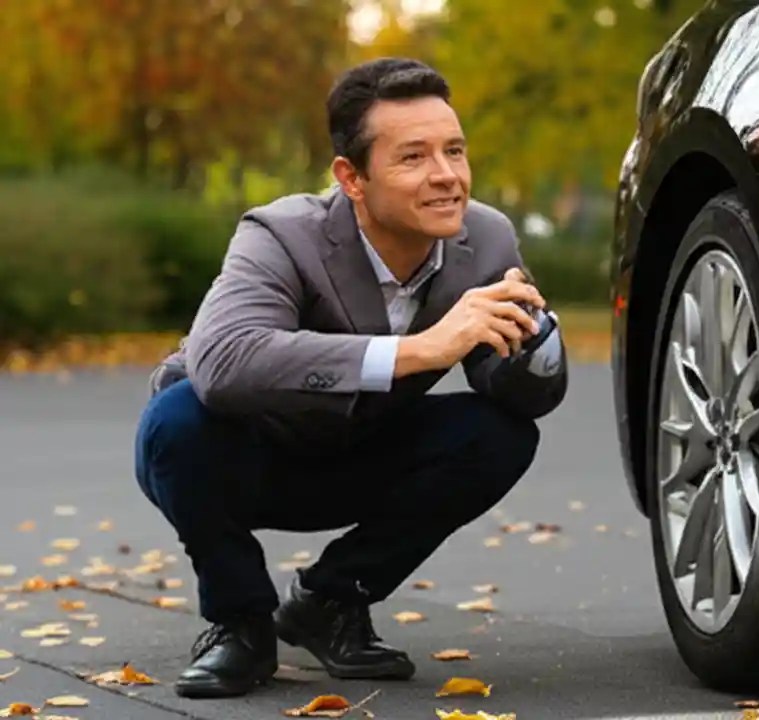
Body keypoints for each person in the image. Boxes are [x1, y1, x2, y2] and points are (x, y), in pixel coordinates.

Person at [133, 57, 564, 699]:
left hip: (364, 454)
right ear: (351, 177)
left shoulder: (488, 239)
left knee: (501, 433)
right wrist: (414, 351)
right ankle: (240, 623)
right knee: (177, 419)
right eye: (413, 158)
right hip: (244, 456)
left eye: (454, 150)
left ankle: (329, 603)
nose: (447, 177)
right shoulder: (279, 234)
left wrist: (532, 345)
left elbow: (525, 393)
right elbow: (222, 361)